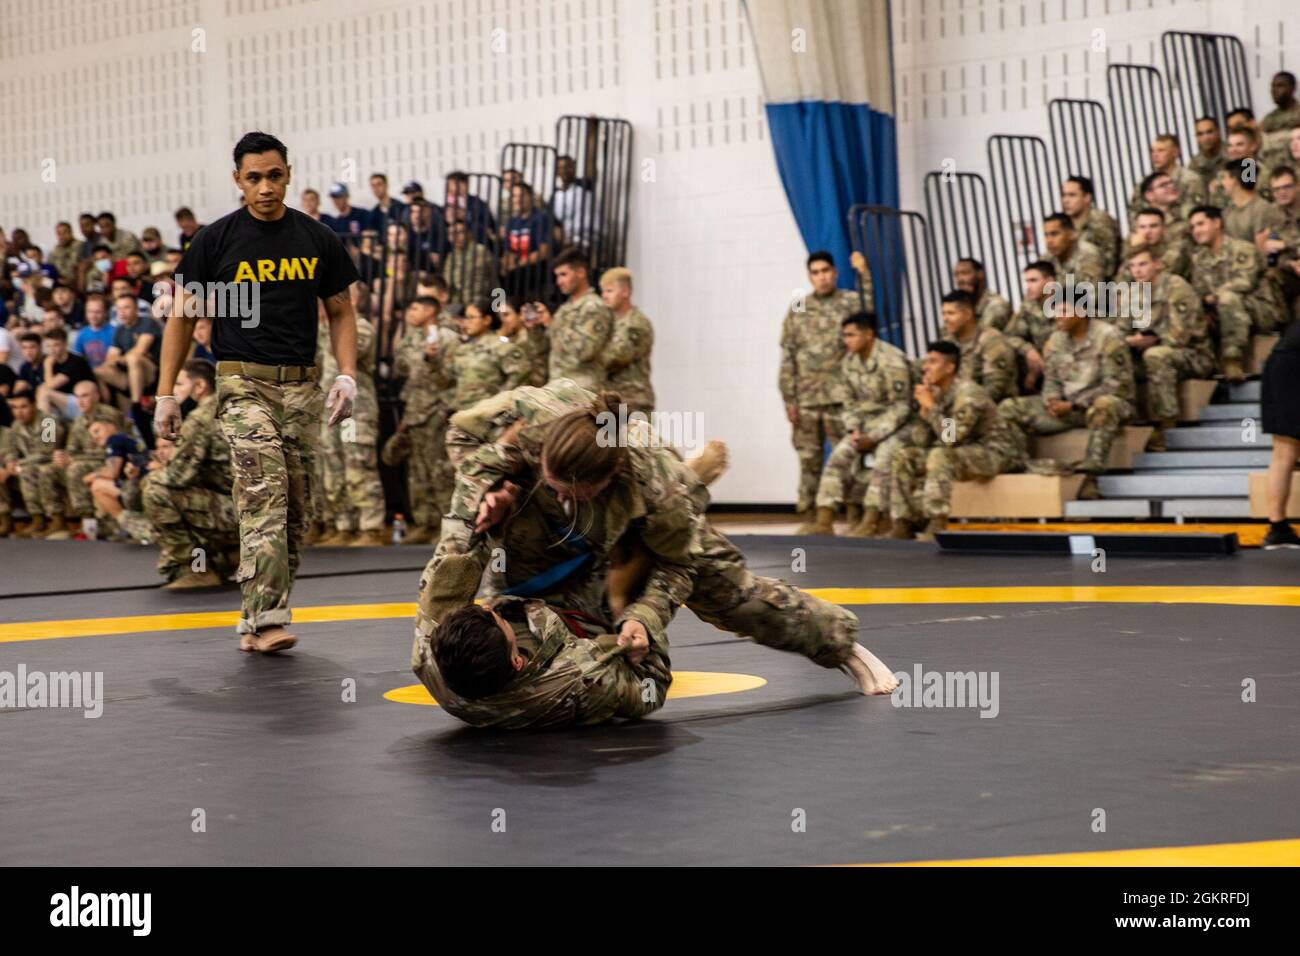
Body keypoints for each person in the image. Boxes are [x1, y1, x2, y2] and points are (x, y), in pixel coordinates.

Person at [412, 383, 898, 729]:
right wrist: (495, 489)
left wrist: (644, 615)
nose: (564, 495)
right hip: (536, 520)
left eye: (572, 491)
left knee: (730, 596)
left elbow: (679, 566)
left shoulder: (656, 490)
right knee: (516, 601)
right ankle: (582, 507)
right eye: (555, 483)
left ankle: (839, 643)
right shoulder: (531, 416)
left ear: (602, 482)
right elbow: (460, 437)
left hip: (641, 530)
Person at [154, 130, 361, 654]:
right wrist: (166, 394)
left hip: (303, 388)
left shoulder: (317, 239)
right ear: (237, 181)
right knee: (264, 494)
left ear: (288, 174)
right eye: (254, 178)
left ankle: (253, 621)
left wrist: (347, 375)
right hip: (242, 383)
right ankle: (268, 618)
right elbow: (182, 316)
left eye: (274, 175)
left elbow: (340, 310)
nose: (265, 187)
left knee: (294, 510)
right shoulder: (215, 241)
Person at [997, 298, 1135, 500]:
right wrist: (1051, 401)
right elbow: (1052, 380)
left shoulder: (1109, 337)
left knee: (1105, 404)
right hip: (1067, 407)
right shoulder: (1056, 340)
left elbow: (1116, 387)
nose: (1056, 316)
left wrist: (1072, 405)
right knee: (1007, 408)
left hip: (1098, 405)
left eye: (1063, 310)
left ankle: (1089, 478)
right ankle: (1019, 468)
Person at [888, 342, 1024, 540]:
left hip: (994, 452)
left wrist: (932, 408)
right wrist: (924, 412)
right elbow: (921, 441)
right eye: (926, 362)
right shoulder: (936, 393)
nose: (926, 367)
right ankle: (903, 522)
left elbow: (951, 438)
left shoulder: (967, 392)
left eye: (933, 362)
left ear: (950, 367)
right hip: (964, 450)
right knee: (904, 456)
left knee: (940, 456)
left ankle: (938, 522)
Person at [804, 311, 915, 538]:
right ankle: (824, 519)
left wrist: (874, 436)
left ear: (868, 334)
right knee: (838, 457)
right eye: (844, 335)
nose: (847, 340)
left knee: (885, 456)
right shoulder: (849, 362)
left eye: (851, 335)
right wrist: (854, 430)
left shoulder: (892, 360)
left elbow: (902, 408)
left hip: (898, 426)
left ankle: (871, 520)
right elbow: (848, 403)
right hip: (864, 427)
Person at [141, 359, 239, 588]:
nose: (175, 390)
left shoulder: (199, 419)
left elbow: (177, 476)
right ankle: (232, 555)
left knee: (154, 488)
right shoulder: (234, 407)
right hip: (254, 509)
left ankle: (198, 569)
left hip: (232, 514)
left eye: (180, 384)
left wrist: (158, 470)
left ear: (200, 386)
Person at [779, 250, 861, 519]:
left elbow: (869, 318)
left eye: (826, 271)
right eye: (815, 272)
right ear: (809, 276)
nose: (821, 277)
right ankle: (808, 512)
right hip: (807, 398)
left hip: (841, 396)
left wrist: (865, 275)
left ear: (835, 273)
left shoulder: (850, 302)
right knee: (808, 459)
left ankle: (853, 511)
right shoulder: (799, 307)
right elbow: (788, 356)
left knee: (846, 456)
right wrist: (789, 400)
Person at [1121, 244, 1213, 452]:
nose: (1137, 270)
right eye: (1132, 266)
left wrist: (1151, 340)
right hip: (1149, 351)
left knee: (1156, 355)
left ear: (1158, 264)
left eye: (1143, 264)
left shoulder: (1176, 286)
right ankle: (1128, 421)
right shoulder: (1132, 293)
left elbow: (1182, 334)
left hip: (1194, 355)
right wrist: (1128, 342)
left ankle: (1166, 426)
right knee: (1116, 357)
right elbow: (1119, 330)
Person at [316, 299, 386, 548]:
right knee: (333, 467)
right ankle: (343, 525)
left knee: (358, 465)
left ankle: (370, 526)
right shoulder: (323, 329)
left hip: (357, 408)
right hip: (329, 407)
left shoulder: (360, 326)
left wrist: (331, 323)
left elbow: (355, 352)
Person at [388, 296, 458, 545]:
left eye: (415, 307)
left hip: (437, 409)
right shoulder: (411, 337)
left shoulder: (448, 338)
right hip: (414, 409)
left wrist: (448, 409)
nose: (409, 312)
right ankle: (425, 523)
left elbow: (452, 376)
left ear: (430, 311)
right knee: (417, 472)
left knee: (440, 470)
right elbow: (400, 368)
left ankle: (447, 525)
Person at [1188, 204, 1285, 382]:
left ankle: (1232, 359)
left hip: (1261, 310)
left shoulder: (1242, 249)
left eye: (1200, 224)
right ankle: (1204, 364)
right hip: (1225, 312)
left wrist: (1213, 298)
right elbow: (1198, 292)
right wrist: (1204, 304)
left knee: (1228, 298)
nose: (1196, 230)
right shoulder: (1200, 258)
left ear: (1217, 223)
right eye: (1193, 227)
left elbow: (1244, 283)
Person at [38, 379, 125, 540]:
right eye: (77, 397)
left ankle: (89, 524)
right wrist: (63, 456)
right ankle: (57, 521)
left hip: (108, 462)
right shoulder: (80, 419)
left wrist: (73, 459)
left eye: (85, 396)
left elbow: (110, 450)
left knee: (75, 468)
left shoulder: (109, 415)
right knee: (48, 470)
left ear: (97, 396)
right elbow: (72, 448)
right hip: (85, 462)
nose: (80, 401)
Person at [437, 297, 530, 411]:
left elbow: (521, 374)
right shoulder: (462, 348)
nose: (467, 322)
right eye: (466, 317)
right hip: (461, 413)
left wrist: (498, 403)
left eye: (472, 318)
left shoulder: (502, 347)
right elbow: (447, 380)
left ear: (486, 320)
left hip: (488, 415)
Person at [542, 246, 613, 388]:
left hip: (583, 390)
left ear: (581, 272)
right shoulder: (565, 308)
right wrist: (535, 328)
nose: (558, 281)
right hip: (559, 386)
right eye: (557, 276)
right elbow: (546, 348)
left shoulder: (593, 307)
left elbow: (586, 350)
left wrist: (553, 324)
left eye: (563, 274)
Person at [2, 386, 66, 538]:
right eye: (15, 407)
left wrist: (19, 464)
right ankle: (35, 521)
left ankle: (56, 521)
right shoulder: (16, 425)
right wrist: (10, 462)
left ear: (34, 405)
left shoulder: (48, 421)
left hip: (51, 464)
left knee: (29, 471)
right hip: (29, 466)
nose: (19, 412)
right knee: (21, 471)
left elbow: (46, 452)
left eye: (24, 406)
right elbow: (10, 449)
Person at [1260, 317, 1300, 548]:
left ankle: (1277, 527)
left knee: (1284, 451)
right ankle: (1277, 528)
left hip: (1280, 364)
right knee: (1285, 451)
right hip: (1292, 368)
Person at [941, 289, 1017, 402]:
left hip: (990, 410)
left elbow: (994, 389)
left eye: (951, 313)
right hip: (959, 406)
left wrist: (958, 405)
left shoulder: (992, 340)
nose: (945, 319)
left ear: (967, 314)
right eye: (944, 314)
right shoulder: (948, 341)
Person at [598, 266, 655, 415]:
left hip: (633, 400)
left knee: (634, 439)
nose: (604, 296)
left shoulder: (636, 323)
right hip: (612, 400)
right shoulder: (609, 322)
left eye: (609, 291)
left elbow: (617, 357)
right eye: (603, 291)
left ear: (625, 292)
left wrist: (588, 357)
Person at [94, 292, 161, 412]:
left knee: (134, 358)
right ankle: (107, 408)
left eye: (126, 307)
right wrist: (118, 360)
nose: (122, 312)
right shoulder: (119, 330)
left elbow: (140, 350)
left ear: (135, 309)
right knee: (99, 370)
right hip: (129, 375)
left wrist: (120, 359)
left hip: (153, 373)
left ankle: (136, 406)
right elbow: (110, 358)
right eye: (119, 308)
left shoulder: (147, 322)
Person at [1003, 261, 1057, 393]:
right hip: (1042, 368)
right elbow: (1009, 336)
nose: (1028, 286)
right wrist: (1028, 351)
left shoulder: (1068, 303)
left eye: (1033, 281)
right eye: (1026, 281)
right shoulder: (1029, 306)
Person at [1062, 175, 1121, 278]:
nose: (1066, 200)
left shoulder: (1099, 221)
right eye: (1064, 195)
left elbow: (1109, 264)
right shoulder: (1066, 225)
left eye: (1072, 195)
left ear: (1087, 198)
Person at [1043, 212, 1104, 288]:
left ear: (1072, 234)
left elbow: (1091, 294)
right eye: (1046, 235)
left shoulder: (1088, 254)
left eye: (1054, 234)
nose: (1049, 241)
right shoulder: (1047, 259)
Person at [953, 257, 1010, 331]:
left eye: (965, 273)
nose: (960, 280)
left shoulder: (996, 304)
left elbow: (980, 336)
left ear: (980, 274)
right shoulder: (963, 305)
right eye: (956, 275)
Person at [1188, 116, 1225, 190]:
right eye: (1200, 134)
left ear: (1218, 132)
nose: (1206, 138)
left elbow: (1250, 180)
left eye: (1210, 132)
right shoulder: (1195, 163)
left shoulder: (1235, 151)